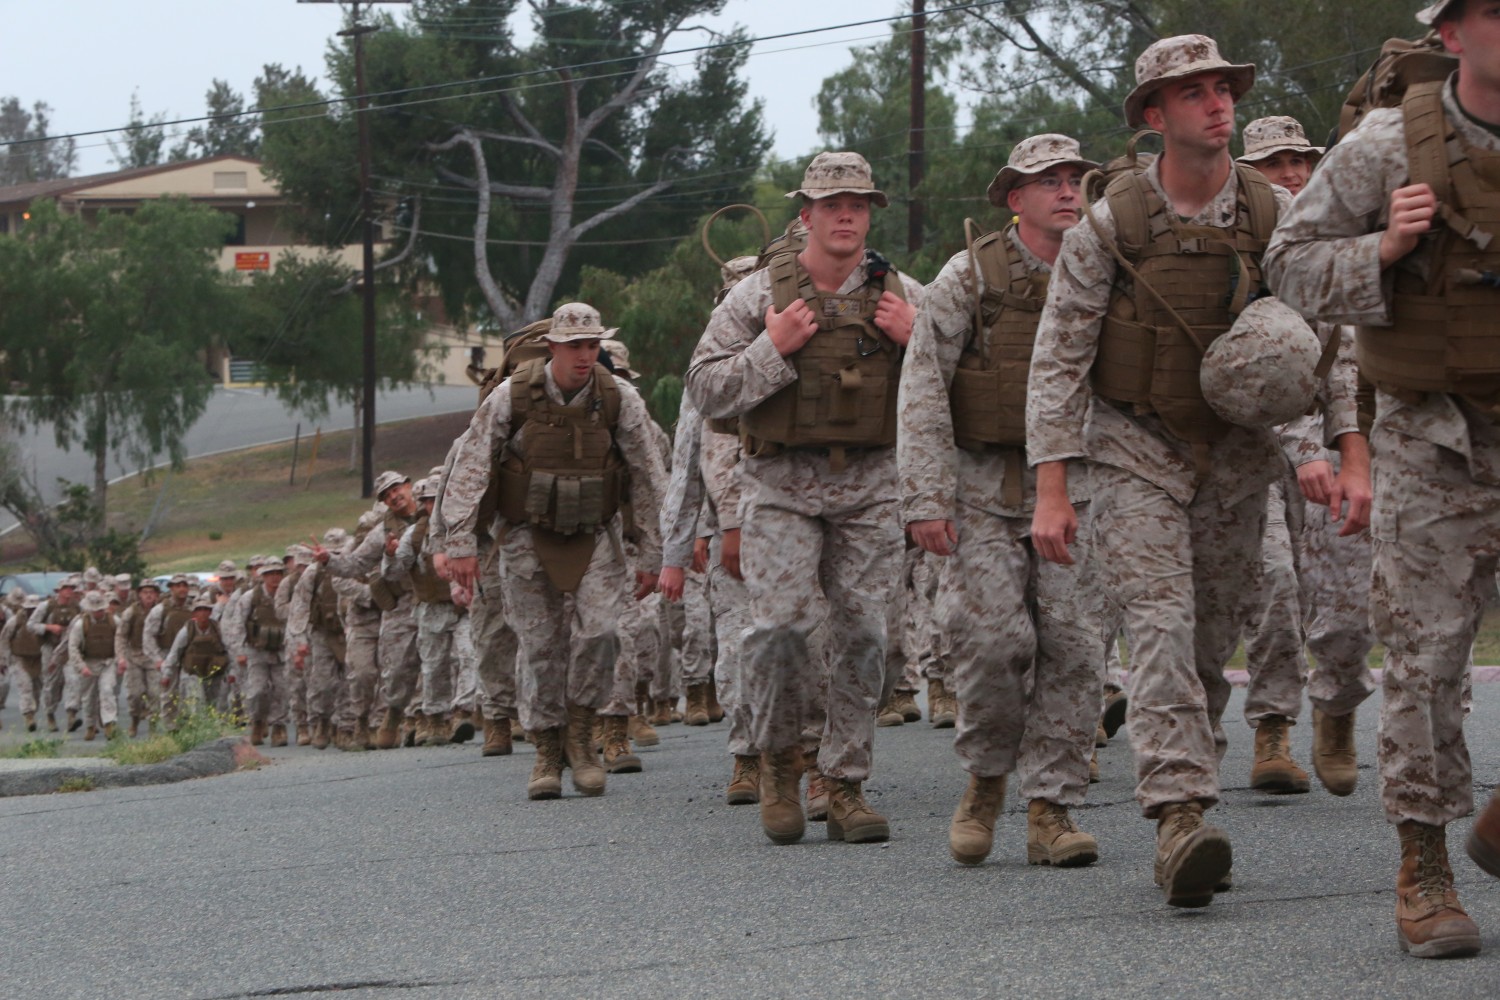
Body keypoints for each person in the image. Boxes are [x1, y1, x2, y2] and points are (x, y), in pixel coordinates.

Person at [1025, 35, 1348, 907]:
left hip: (1237, 456)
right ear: (1155, 116)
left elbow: (1331, 342)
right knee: (1160, 628)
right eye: (1193, 92)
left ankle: (1187, 787)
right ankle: (1178, 818)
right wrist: (1053, 486)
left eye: (1223, 88)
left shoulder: (1274, 216)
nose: (1217, 103)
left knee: (1208, 648)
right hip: (1133, 447)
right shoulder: (1111, 225)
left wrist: (1343, 448)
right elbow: (1058, 359)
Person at [1264, 0, 1492, 958]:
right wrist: (1383, 250)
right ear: (1451, 33)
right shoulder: (1389, 142)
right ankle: (1425, 863)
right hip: (1430, 434)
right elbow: (1287, 264)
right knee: (1427, 657)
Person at [686, 151, 923, 845]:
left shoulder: (903, 293)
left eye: (859, 203)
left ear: (871, 212)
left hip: (871, 487)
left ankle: (844, 783)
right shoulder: (758, 294)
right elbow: (702, 388)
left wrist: (920, 344)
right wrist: (773, 349)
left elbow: (959, 384)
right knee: (781, 628)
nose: (846, 214)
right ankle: (781, 761)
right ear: (807, 216)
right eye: (831, 204)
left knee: (863, 634)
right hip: (781, 484)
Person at [899, 133, 1109, 868]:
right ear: (1014, 198)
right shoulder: (970, 275)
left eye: (1074, 179)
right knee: (991, 643)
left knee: (1077, 647)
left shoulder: (1109, 267)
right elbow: (923, 383)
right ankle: (987, 779)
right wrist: (926, 497)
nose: (1066, 191)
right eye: (1046, 181)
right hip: (984, 489)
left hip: (1082, 487)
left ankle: (1053, 808)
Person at [439, 302, 667, 800]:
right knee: (540, 648)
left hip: (595, 535)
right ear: (553, 347)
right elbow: (471, 466)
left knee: (602, 632)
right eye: (575, 346)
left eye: (593, 345)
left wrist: (655, 552)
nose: (585, 355)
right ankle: (546, 750)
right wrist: (459, 542)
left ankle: (581, 736)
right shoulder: (512, 396)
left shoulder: (618, 397)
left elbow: (650, 475)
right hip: (526, 536)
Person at [1237, 115, 1375, 798]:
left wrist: (1337, 447)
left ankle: (1339, 703)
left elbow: (1344, 360)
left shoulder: (1336, 250)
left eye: (1299, 162)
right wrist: (1299, 445)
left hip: (1330, 439)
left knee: (1349, 606)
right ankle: (1271, 732)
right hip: (1252, 449)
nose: (1290, 175)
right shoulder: (1230, 256)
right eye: (1272, 165)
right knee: (1274, 590)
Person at [66, 590, 119, 741]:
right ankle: (90, 726)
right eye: (95, 610)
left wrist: (121, 659)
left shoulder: (114, 621)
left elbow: (121, 640)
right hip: (88, 663)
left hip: (108, 662)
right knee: (88, 697)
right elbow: (73, 647)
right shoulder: (80, 625)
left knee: (107, 690)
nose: (98, 613)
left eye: (101, 609)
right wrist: (81, 667)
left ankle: (109, 724)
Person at [115, 579, 163, 736]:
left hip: (154, 657)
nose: (148, 595)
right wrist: (121, 657)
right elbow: (121, 636)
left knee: (155, 693)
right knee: (135, 694)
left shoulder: (161, 611)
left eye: (151, 592)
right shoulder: (131, 612)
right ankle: (134, 721)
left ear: (156, 594)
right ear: (139, 594)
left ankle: (153, 727)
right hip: (134, 656)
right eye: (145, 592)